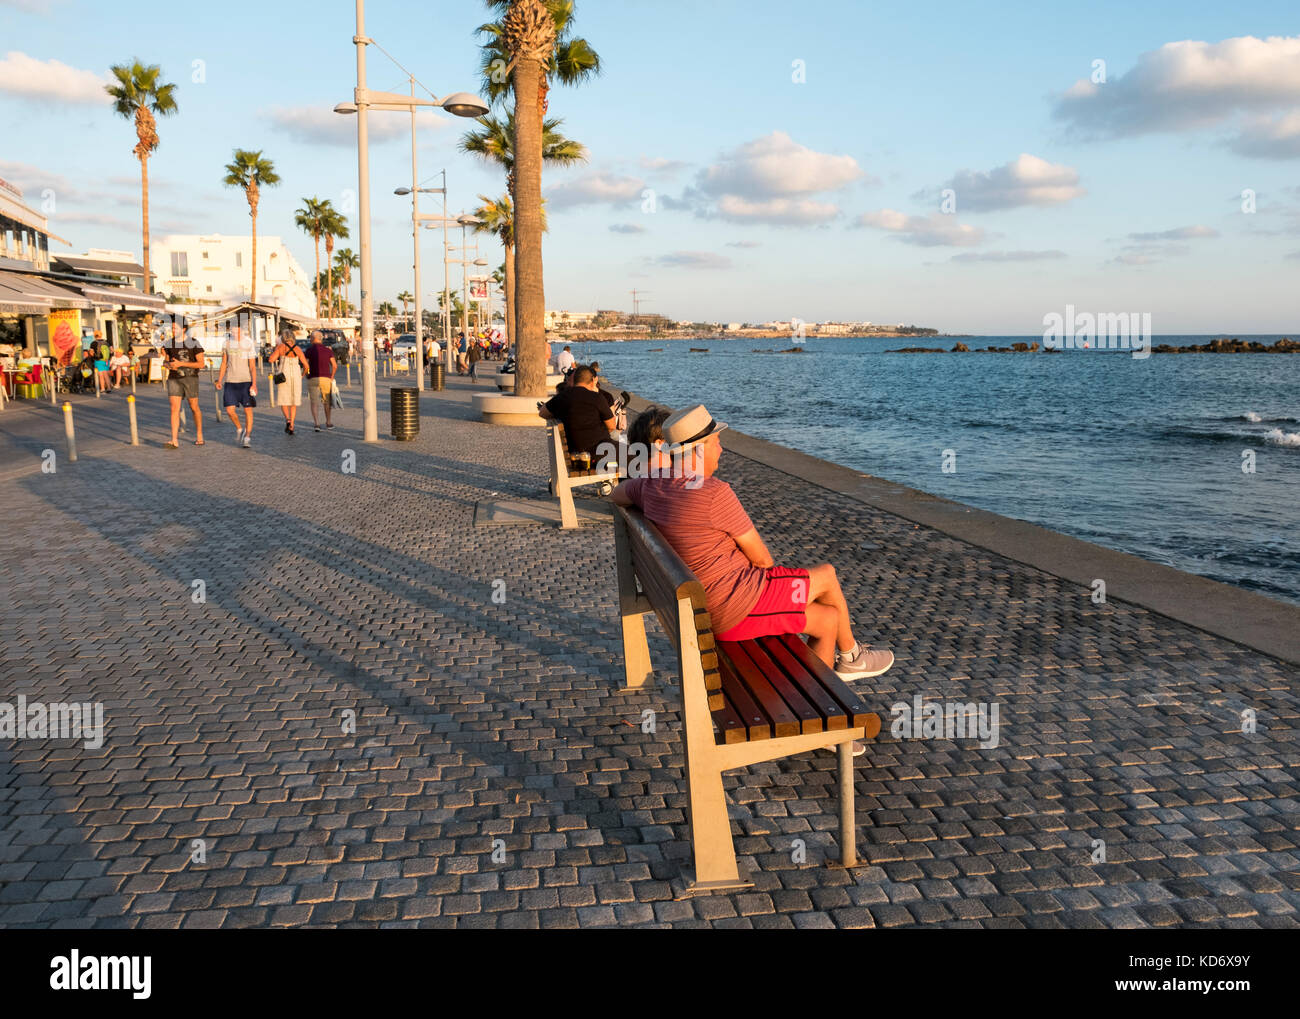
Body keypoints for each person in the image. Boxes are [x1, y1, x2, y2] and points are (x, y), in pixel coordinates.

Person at [611, 403, 893, 686]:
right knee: (828, 575)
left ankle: (824, 684)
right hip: (734, 606)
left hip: (706, 600)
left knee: (828, 618)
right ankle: (852, 657)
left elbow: (617, 494)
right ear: (699, 449)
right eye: (717, 442)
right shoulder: (715, 494)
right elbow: (762, 560)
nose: (721, 450)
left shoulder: (651, 485)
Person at [537, 364, 616, 465]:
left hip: (574, 451)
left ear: (575, 380)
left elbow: (542, 413)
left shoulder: (563, 396)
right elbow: (612, 426)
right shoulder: (597, 398)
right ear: (592, 380)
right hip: (598, 452)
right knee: (635, 456)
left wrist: (562, 414)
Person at [161, 320, 205, 448]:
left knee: (193, 407)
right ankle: (174, 440)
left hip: (191, 378)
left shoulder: (193, 343)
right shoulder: (169, 343)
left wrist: (181, 364)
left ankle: (199, 434)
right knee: (174, 408)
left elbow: (201, 364)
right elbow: (165, 362)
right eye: (172, 328)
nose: (173, 330)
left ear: (184, 329)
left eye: (176, 328)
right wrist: (169, 365)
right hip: (174, 378)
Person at [217, 325, 258, 448]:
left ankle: (247, 437)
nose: (234, 333)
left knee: (248, 411)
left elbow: (252, 366)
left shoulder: (248, 344)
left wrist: (254, 384)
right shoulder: (227, 343)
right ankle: (240, 429)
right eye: (232, 331)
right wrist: (220, 380)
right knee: (229, 410)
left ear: (242, 330)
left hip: (246, 381)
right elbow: (224, 363)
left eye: (236, 330)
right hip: (230, 381)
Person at [269, 326, 310, 435]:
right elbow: (306, 365)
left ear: (283, 338)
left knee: (283, 400)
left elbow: (271, 359)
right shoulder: (297, 348)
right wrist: (302, 375)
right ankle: (292, 424)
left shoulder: (281, 347)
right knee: (293, 402)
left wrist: (276, 352)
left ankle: (287, 419)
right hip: (296, 376)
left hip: (284, 375)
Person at [305, 329, 338, 431]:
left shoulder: (309, 351)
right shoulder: (328, 351)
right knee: (327, 401)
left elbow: (306, 365)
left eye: (310, 337)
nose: (310, 339)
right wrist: (331, 376)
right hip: (326, 378)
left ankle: (317, 424)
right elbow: (335, 365)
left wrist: (307, 374)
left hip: (313, 378)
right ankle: (328, 422)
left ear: (313, 339)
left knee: (314, 402)